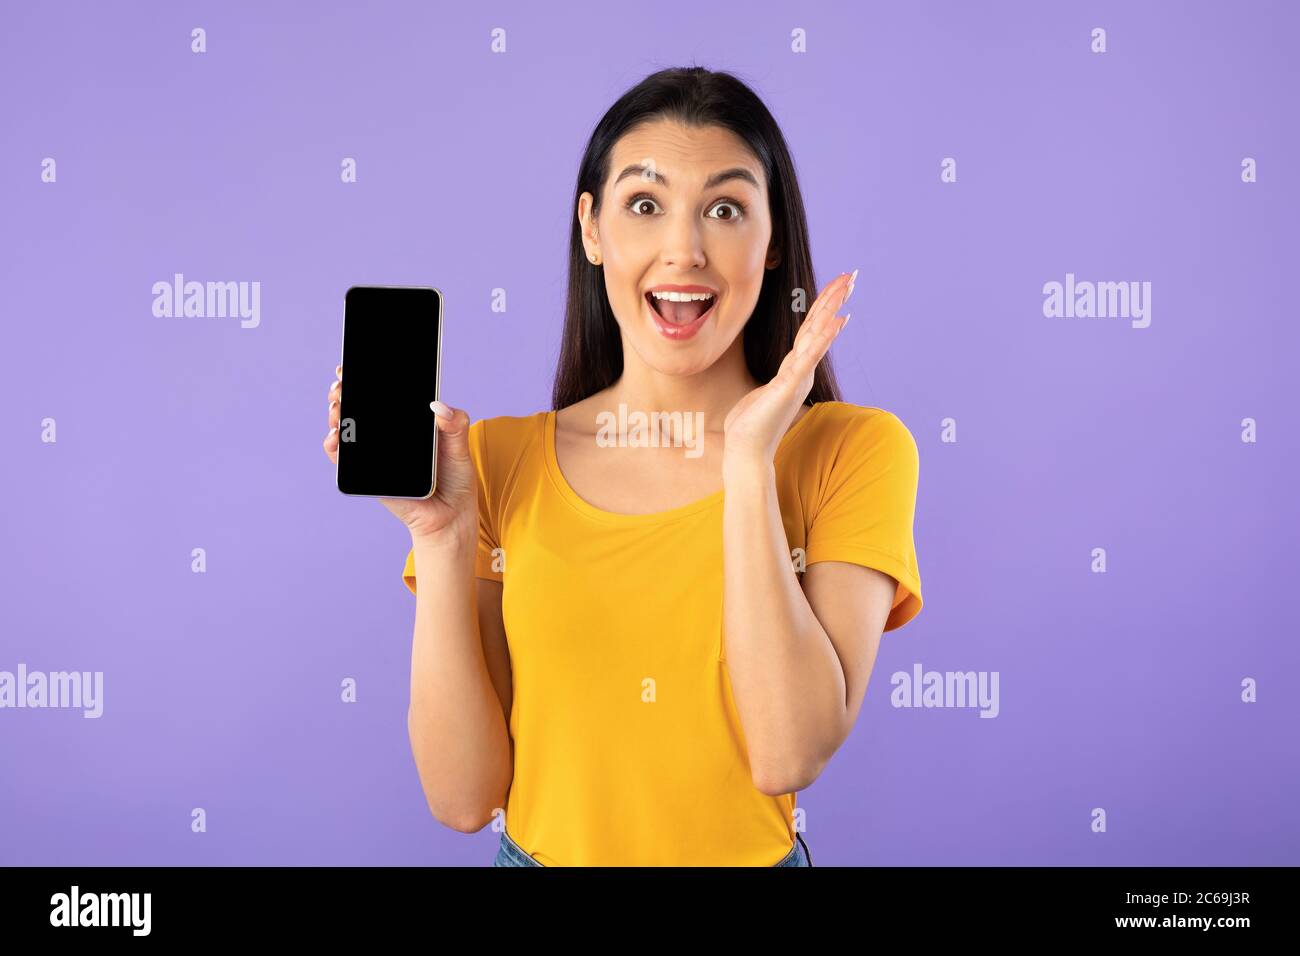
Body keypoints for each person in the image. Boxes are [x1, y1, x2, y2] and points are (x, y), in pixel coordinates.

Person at [323, 66, 923, 867]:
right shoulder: (496, 463)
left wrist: (748, 467)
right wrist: (439, 538)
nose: (684, 249)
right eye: (646, 204)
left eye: (725, 208)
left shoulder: (853, 450)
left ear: (773, 241)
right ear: (592, 228)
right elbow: (463, 799)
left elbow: (790, 753)